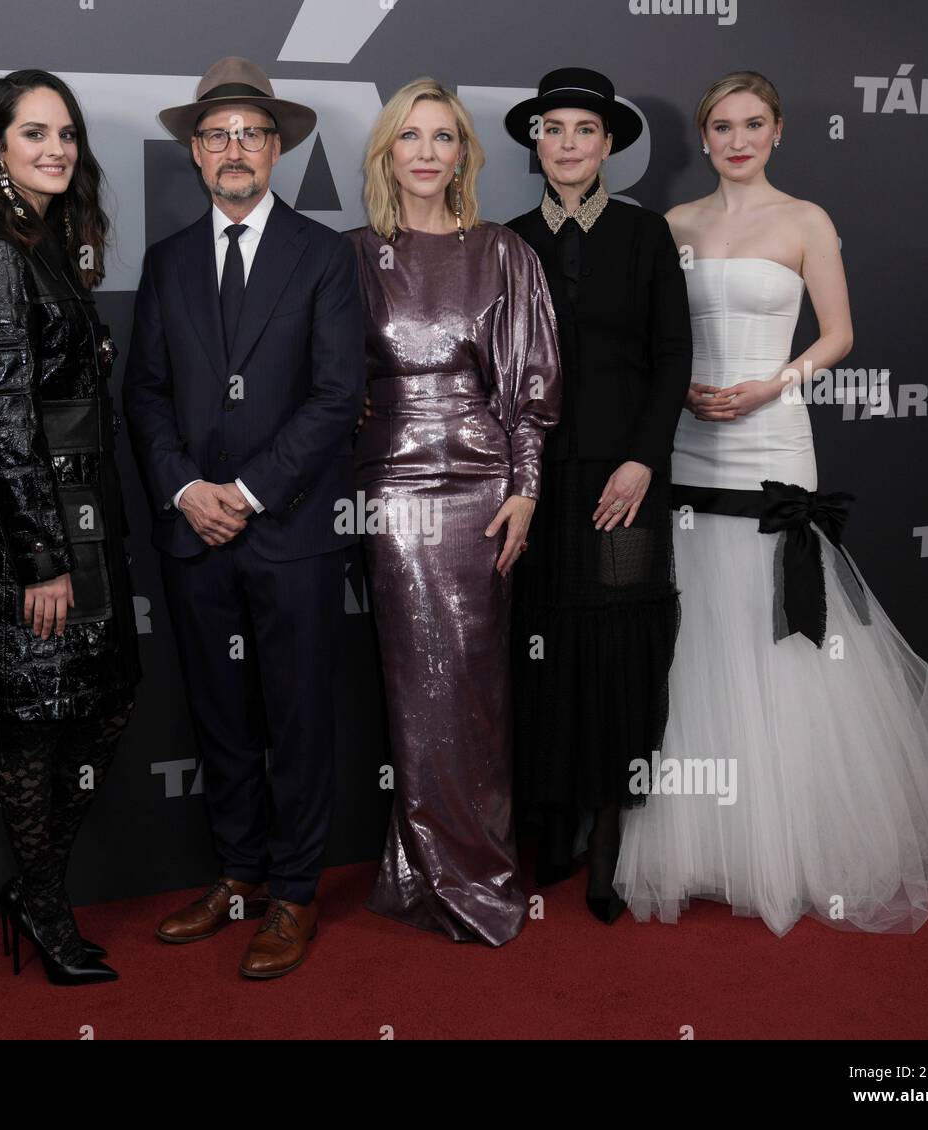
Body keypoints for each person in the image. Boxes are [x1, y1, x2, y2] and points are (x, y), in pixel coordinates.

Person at [614, 71, 928, 935]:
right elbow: (658, 335)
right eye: (720, 126)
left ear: (777, 130)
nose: (736, 139)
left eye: (752, 124)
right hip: (690, 431)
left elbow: (841, 334)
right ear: (702, 137)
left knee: (777, 614)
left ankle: (795, 835)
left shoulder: (808, 220)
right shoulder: (675, 226)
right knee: (694, 617)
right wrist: (687, 391)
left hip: (773, 432)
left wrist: (769, 387)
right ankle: (703, 836)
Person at [124, 57, 365, 979]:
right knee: (220, 716)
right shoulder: (167, 261)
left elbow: (338, 395)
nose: (235, 150)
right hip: (194, 534)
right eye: (218, 135)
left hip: (291, 530)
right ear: (195, 151)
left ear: (279, 148)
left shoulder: (325, 254)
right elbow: (144, 396)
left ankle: (294, 893)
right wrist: (188, 491)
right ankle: (239, 876)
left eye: (252, 135)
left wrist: (250, 492)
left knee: (298, 719)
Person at [0, 69, 141, 984]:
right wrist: (44, 561)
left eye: (67, 133)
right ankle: (44, 902)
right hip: (39, 531)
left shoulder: (48, 241)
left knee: (98, 711)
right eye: (34, 133)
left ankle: (36, 890)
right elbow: (4, 419)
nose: (57, 148)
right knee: (37, 725)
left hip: (87, 515)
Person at [347, 78, 562, 945]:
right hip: (394, 494)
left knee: (478, 688)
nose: (428, 152)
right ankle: (425, 868)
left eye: (444, 137)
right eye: (412, 137)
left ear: (464, 154)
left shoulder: (504, 252)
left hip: (484, 489)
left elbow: (532, 387)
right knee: (415, 688)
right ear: (387, 154)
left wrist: (526, 489)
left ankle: (483, 868)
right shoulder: (354, 255)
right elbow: (328, 379)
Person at [504, 68, 689, 923]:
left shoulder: (645, 236)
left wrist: (644, 461)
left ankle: (609, 839)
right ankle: (554, 820)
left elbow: (672, 359)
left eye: (585, 129)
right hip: (537, 488)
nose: (570, 143)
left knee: (618, 651)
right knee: (541, 641)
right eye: (554, 128)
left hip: (627, 488)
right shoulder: (505, 242)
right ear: (534, 142)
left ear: (608, 143)